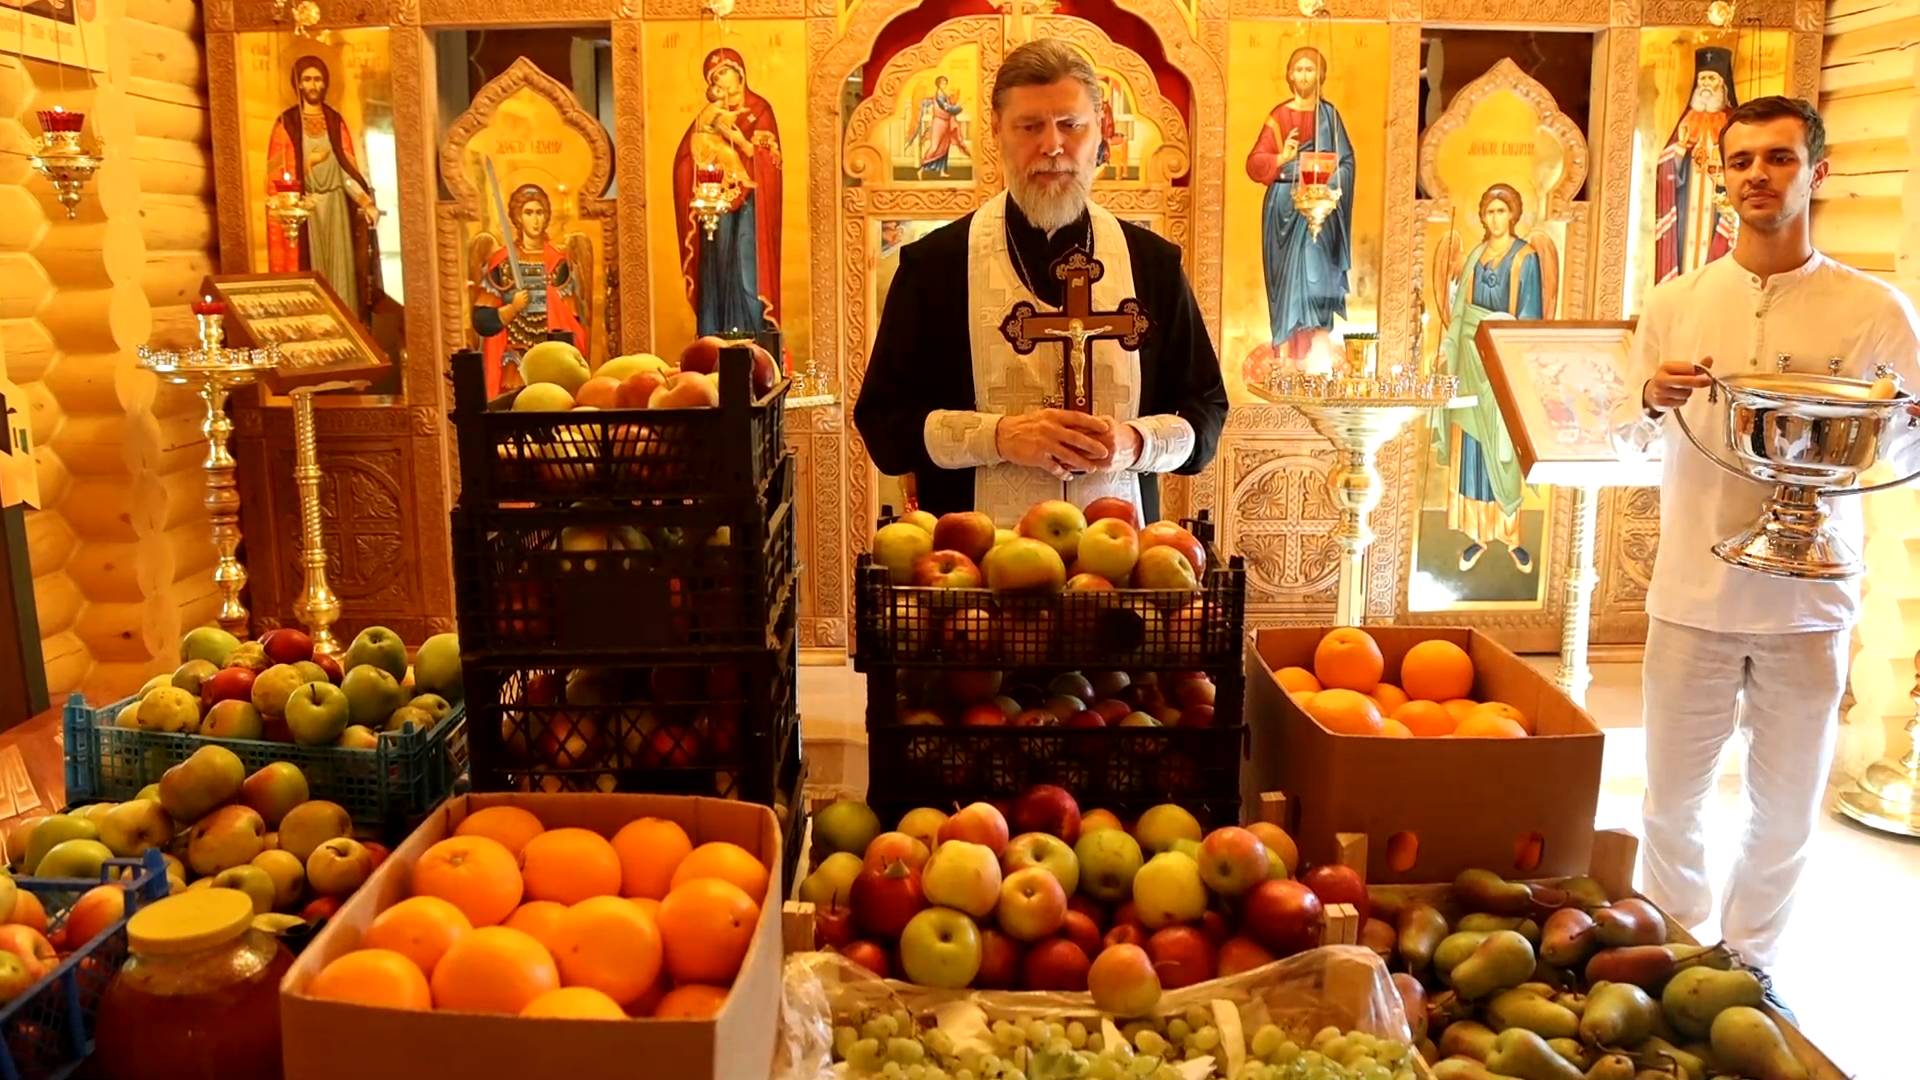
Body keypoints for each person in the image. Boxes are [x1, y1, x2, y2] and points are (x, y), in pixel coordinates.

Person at [1618, 97, 1920, 978]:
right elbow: (1626, 439)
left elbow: (1902, 444)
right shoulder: (1678, 300)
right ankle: (1668, 955)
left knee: (1784, 807)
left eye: (1780, 159)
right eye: (1742, 160)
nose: (1758, 175)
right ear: (1720, 177)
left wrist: (1900, 419)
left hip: (1810, 602)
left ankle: (1748, 968)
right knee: (1671, 801)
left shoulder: (1873, 309)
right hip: (1691, 593)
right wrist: (1650, 400)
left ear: (1816, 173)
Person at [854, 38, 1228, 525]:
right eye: (1029, 126)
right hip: (974, 576)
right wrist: (999, 437)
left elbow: (1207, 410)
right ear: (996, 132)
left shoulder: (1152, 265)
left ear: (1099, 133)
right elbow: (883, 427)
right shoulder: (933, 266)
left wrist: (1133, 443)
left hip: (1121, 565)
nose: (1052, 146)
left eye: (1071, 125)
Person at [1434, 183, 1544, 574]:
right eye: (1489, 212)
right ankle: (1476, 534)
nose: (1495, 218)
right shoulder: (1475, 256)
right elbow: (1460, 311)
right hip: (1468, 364)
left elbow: (1531, 320)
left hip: (1502, 365)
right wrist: (1448, 348)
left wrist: (1501, 335)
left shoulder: (1525, 259)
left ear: (1513, 215)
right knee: (1473, 451)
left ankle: (1511, 536)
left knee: (1503, 447)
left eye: (1501, 211)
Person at [1246, 46, 1355, 370]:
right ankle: (1287, 361)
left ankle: (1315, 361)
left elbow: (1347, 162)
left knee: (1316, 278)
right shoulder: (1279, 116)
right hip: (1284, 210)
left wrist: (1326, 177)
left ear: (1320, 76)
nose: (1305, 75)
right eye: (1299, 69)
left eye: (1311, 69)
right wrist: (1283, 158)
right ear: (1290, 75)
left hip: (1321, 211)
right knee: (1288, 287)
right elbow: (1254, 164)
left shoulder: (1330, 117)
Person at [672, 48, 783, 339]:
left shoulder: (760, 110)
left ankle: (753, 337)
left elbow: (771, 162)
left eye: (724, 71)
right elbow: (684, 160)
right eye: (714, 76)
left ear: (740, 71)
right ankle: (715, 338)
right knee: (718, 266)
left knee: (747, 268)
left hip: (751, 208)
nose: (720, 79)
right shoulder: (707, 115)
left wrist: (740, 142)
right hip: (717, 207)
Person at [265, 56, 382, 324]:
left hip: (337, 207)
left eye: (317, 79)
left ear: (326, 83)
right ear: (298, 84)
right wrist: (308, 164)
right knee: (313, 267)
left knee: (341, 272)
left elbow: (347, 172)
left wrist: (365, 203)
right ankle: (315, 324)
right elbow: (276, 176)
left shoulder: (334, 121)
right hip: (305, 210)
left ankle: (345, 324)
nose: (313, 84)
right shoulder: (287, 123)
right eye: (307, 79)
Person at [471, 184, 589, 397]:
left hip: (551, 362)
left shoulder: (558, 264)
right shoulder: (502, 264)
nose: (535, 220)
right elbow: (481, 319)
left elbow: (571, 321)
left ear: (547, 217)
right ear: (517, 218)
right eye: (528, 213)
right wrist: (511, 309)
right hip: (512, 364)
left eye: (539, 212)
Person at [1655, 47, 1741, 283]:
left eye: (1711, 78)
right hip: (1686, 203)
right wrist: (1681, 147)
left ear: (1723, 84)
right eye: (1702, 78)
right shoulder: (1687, 120)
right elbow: (1664, 166)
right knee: (1686, 255)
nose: (1705, 85)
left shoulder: (1733, 123)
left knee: (1714, 254)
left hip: (1716, 204)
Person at [906, 75, 972, 177]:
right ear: (938, 84)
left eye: (945, 83)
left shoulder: (944, 95)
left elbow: (950, 105)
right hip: (939, 122)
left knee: (944, 147)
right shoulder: (939, 96)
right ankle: (921, 169)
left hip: (946, 122)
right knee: (934, 147)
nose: (944, 84)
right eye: (942, 83)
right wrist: (961, 106)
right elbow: (947, 108)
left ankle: (942, 171)